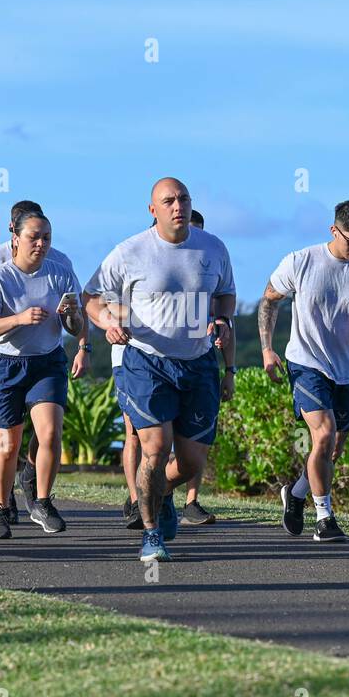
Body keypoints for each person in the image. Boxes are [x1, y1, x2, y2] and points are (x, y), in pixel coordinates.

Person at [86, 177, 236, 563]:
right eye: (168, 200)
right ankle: (151, 534)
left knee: (190, 462)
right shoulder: (130, 251)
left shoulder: (213, 248)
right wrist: (106, 322)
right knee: (154, 448)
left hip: (198, 362)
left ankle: (164, 491)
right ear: (153, 210)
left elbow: (226, 294)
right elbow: (90, 297)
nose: (178, 206)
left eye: (183, 199)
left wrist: (221, 320)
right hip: (146, 361)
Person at [262, 200, 349, 541]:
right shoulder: (302, 261)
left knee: (331, 450)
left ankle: (296, 493)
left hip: (347, 368)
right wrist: (267, 349)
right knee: (324, 433)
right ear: (334, 231)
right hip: (306, 361)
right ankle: (325, 517)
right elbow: (270, 298)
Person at [0, 200, 85, 516]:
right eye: (35, 237)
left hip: (46, 361)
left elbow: (76, 324)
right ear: (15, 237)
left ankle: (43, 502)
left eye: (46, 237)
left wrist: (73, 321)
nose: (42, 243)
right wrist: (16, 320)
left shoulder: (61, 270)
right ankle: (3, 507)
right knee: (7, 446)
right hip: (4, 363)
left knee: (50, 433)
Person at [117, 208, 215, 528]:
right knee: (141, 439)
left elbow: (221, 312)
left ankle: (169, 496)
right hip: (137, 360)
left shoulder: (206, 265)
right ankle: (138, 503)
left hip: (193, 364)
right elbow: (110, 304)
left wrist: (229, 369)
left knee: (188, 451)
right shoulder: (139, 257)